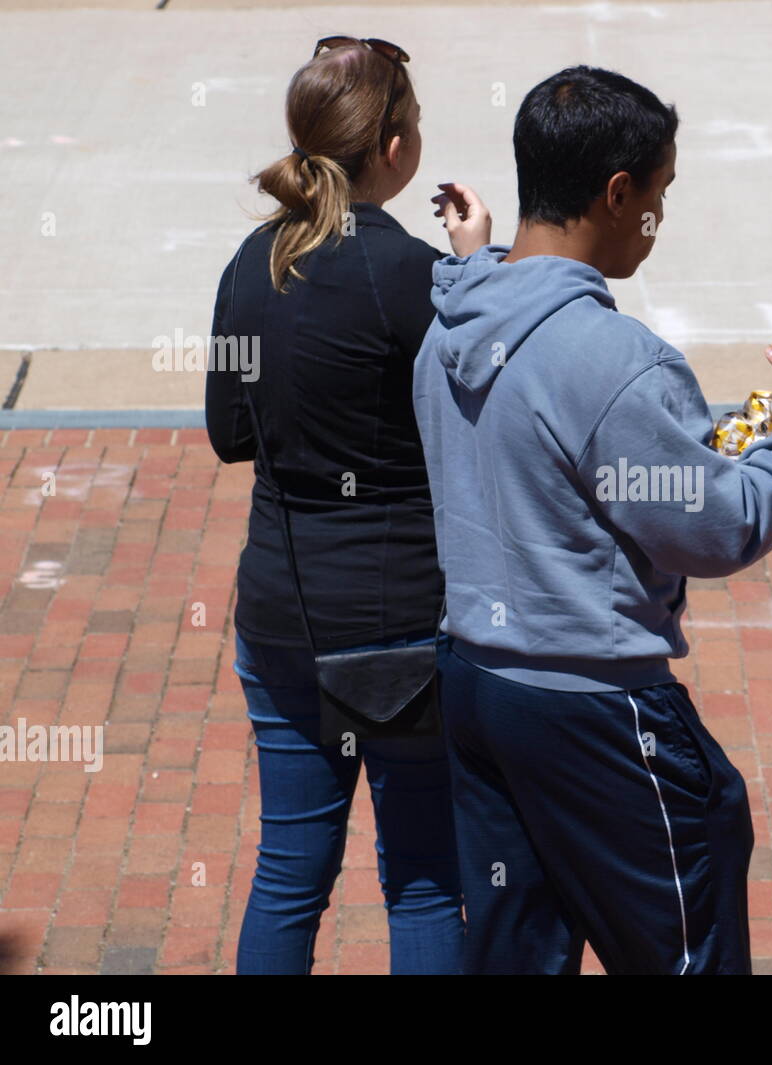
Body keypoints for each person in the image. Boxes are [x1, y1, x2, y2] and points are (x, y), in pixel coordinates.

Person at [412, 65, 772, 974]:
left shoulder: (447, 325)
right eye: (660, 193)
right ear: (616, 192)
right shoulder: (616, 360)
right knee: (692, 934)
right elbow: (721, 527)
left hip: (478, 687)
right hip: (594, 712)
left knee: (514, 952)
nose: (660, 218)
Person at [206, 35, 490, 974]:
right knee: (421, 874)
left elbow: (229, 432)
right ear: (396, 149)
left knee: (289, 871)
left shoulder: (253, 265)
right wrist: (476, 267)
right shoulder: (416, 275)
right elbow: (479, 417)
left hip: (282, 614)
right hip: (403, 624)